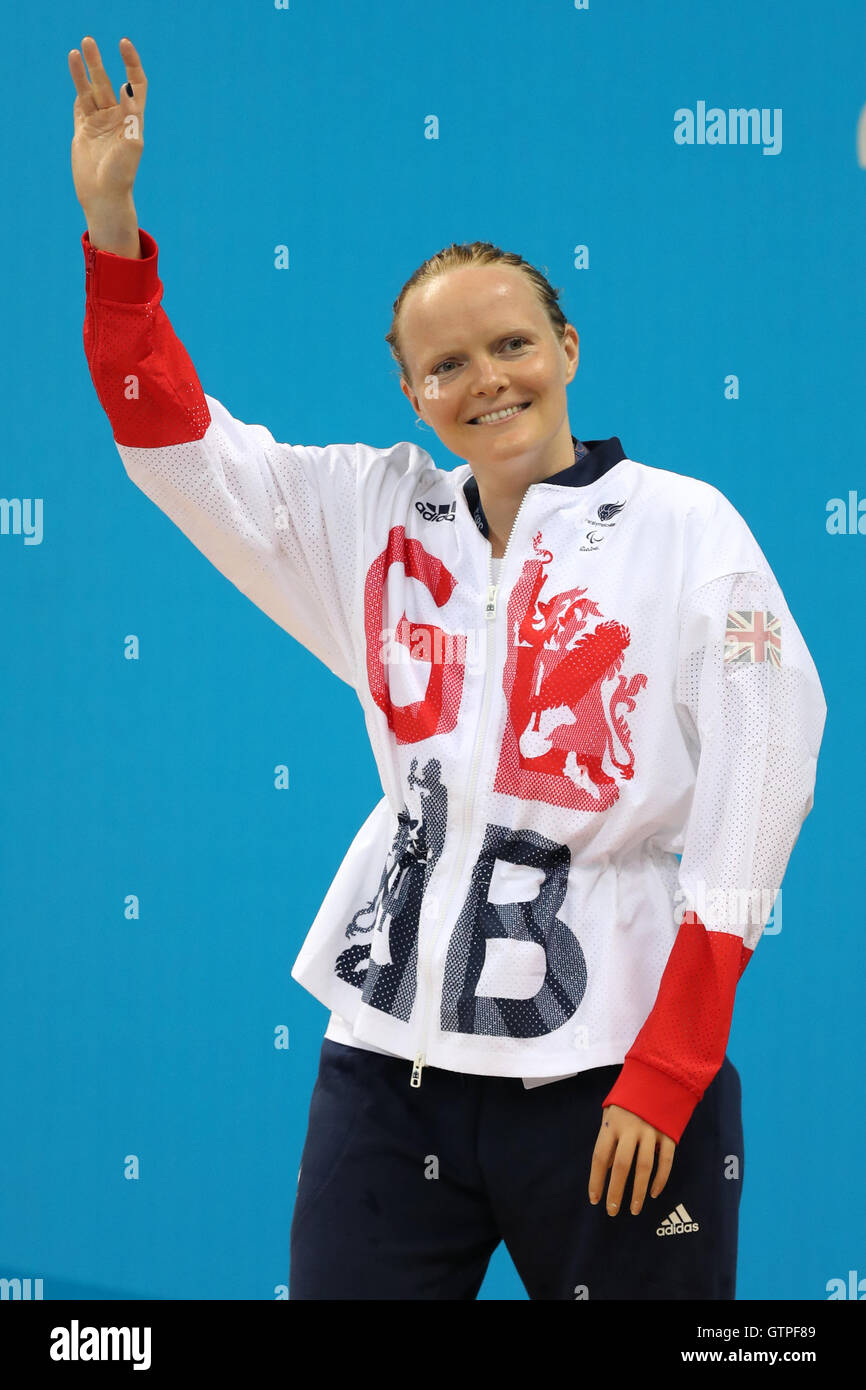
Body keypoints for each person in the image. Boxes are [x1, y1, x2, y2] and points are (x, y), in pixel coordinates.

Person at [70, 35, 828, 1301]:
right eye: (446, 365)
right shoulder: (371, 519)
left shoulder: (688, 530)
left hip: (610, 1077)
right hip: (387, 1068)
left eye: (512, 344)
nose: (486, 380)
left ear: (567, 346)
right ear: (410, 389)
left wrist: (673, 1061)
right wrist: (112, 229)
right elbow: (172, 442)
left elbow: (766, 770)